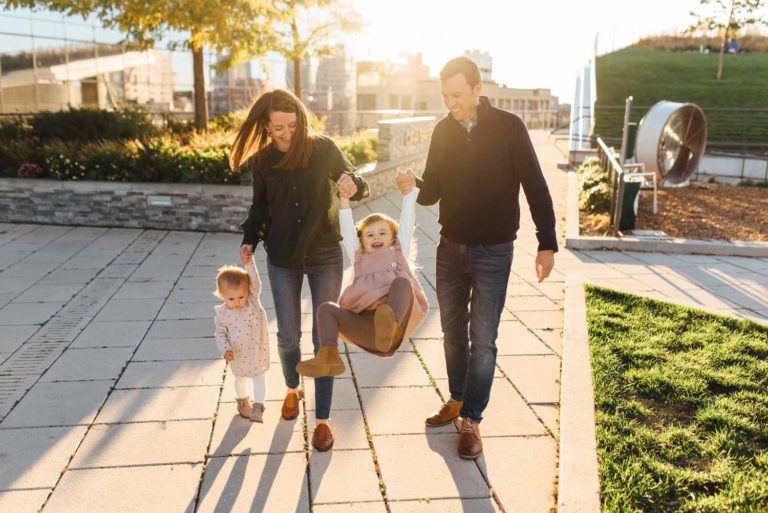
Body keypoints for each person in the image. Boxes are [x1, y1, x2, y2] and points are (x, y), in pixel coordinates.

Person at [395, 56, 557, 460]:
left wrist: (546, 242)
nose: (450, 102)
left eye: (457, 94)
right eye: (445, 95)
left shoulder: (508, 128)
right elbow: (433, 191)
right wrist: (413, 183)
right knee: (452, 333)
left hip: (494, 251)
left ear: (477, 88)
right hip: (449, 248)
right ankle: (456, 398)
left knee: (482, 339)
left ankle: (471, 419)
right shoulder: (442, 131)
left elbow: (536, 185)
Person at [231, 88, 369, 452]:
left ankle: (322, 419)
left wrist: (351, 184)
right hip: (282, 258)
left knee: (324, 339)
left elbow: (356, 180)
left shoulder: (321, 148)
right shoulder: (262, 162)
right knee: (287, 336)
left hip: (324, 253)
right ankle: (292, 388)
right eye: (278, 128)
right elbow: (259, 209)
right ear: (265, 125)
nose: (287, 134)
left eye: (292, 125)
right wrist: (250, 238)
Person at [294, 187, 429, 377]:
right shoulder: (358, 258)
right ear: (362, 242)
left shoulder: (399, 254)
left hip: (394, 328)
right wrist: (344, 199)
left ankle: (390, 325)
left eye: (383, 233)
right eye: (370, 235)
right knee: (325, 309)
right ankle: (329, 356)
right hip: (369, 331)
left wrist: (408, 194)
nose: (376, 237)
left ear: (393, 238)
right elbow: (347, 229)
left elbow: (407, 222)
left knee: (402, 283)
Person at [213, 257, 270, 423]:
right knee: (240, 378)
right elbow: (220, 333)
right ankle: (242, 401)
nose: (237, 302)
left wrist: (249, 262)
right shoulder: (222, 313)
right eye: (231, 299)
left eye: (241, 297)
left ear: (248, 293)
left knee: (259, 377)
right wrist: (225, 350)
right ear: (222, 295)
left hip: (256, 350)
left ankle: (259, 405)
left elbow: (255, 282)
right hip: (236, 353)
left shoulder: (252, 303)